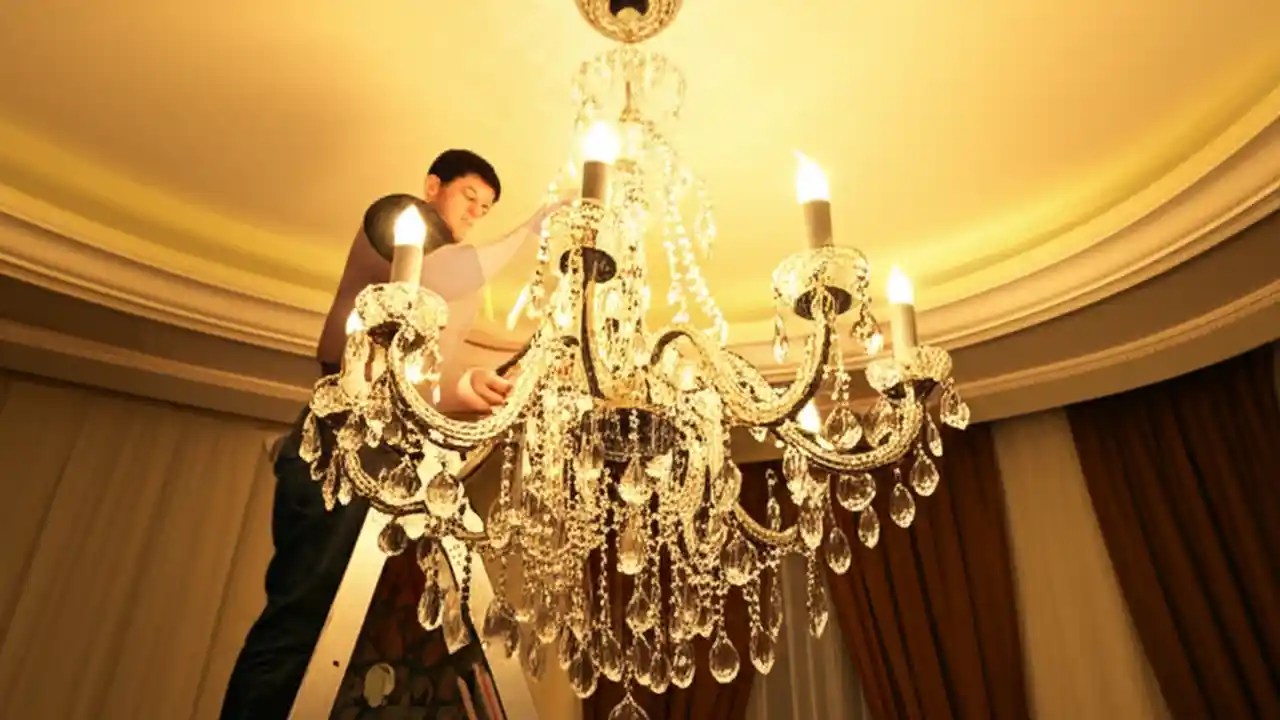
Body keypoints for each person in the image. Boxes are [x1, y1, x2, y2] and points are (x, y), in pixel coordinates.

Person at [220, 149, 563, 720]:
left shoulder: (452, 268)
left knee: (394, 623)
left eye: (486, 208)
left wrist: (465, 386)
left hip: (396, 450)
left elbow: (414, 382)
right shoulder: (396, 221)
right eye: (469, 198)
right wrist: (535, 227)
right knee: (306, 611)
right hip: (342, 445)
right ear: (434, 186)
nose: (475, 213)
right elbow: (440, 277)